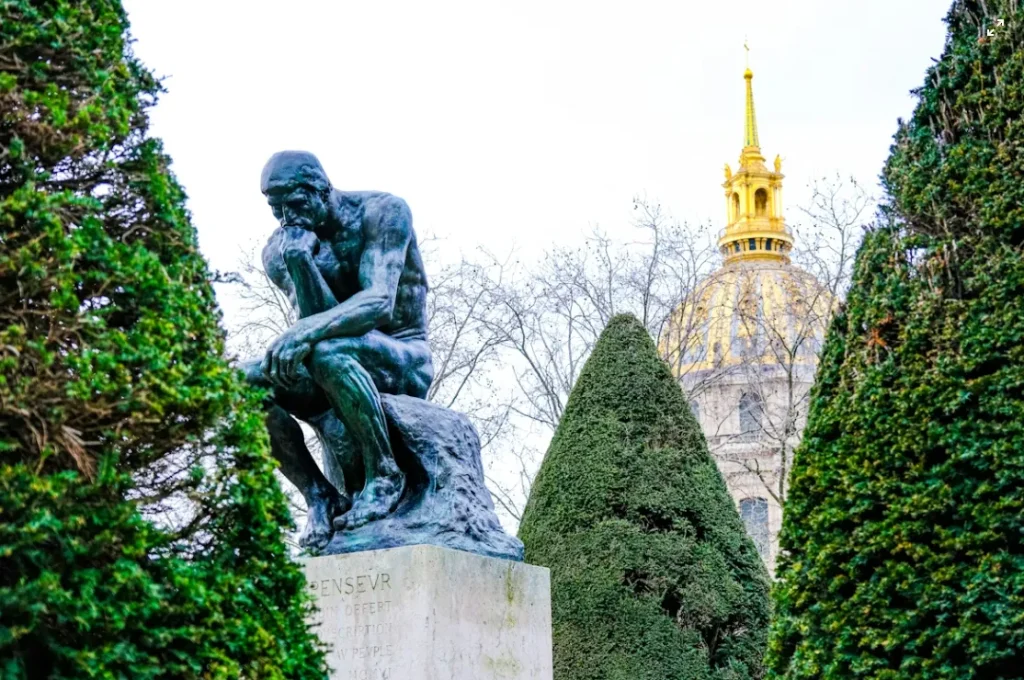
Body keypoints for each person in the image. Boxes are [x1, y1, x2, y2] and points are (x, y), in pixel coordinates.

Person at [243, 151, 433, 550]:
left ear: (320, 188)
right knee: (242, 382)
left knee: (324, 349)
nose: (285, 218)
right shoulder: (281, 249)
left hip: (403, 357)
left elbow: (379, 301)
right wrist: (299, 261)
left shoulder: (382, 213)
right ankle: (320, 496)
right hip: (336, 356)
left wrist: (305, 333)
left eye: (293, 204)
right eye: (275, 209)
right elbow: (320, 319)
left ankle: (384, 473)